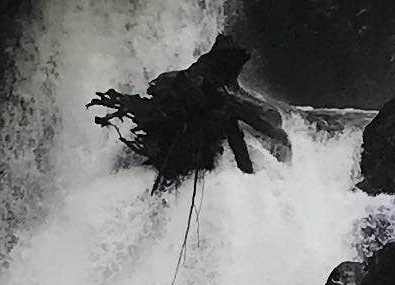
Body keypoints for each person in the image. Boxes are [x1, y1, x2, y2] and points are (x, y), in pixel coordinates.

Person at [91, 32, 294, 188]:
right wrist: (251, 173)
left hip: (173, 145)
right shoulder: (219, 97)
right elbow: (242, 134)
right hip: (184, 147)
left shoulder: (185, 78)